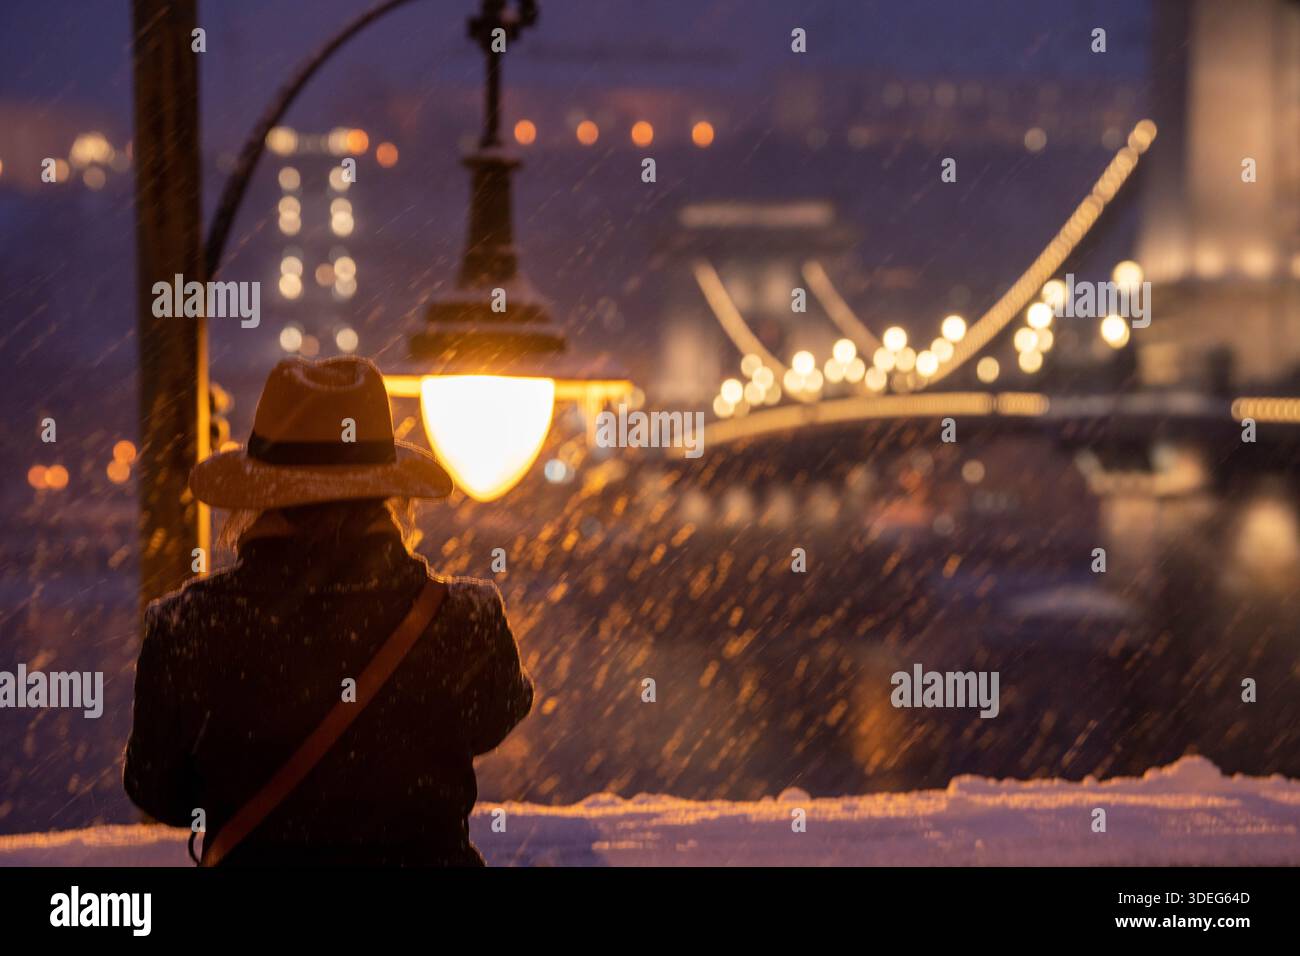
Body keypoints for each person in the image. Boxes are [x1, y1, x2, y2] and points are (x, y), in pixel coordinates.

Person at [124, 356, 533, 866]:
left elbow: (157, 790)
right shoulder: (465, 620)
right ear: (389, 494)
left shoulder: (187, 627)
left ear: (260, 495)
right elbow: (495, 719)